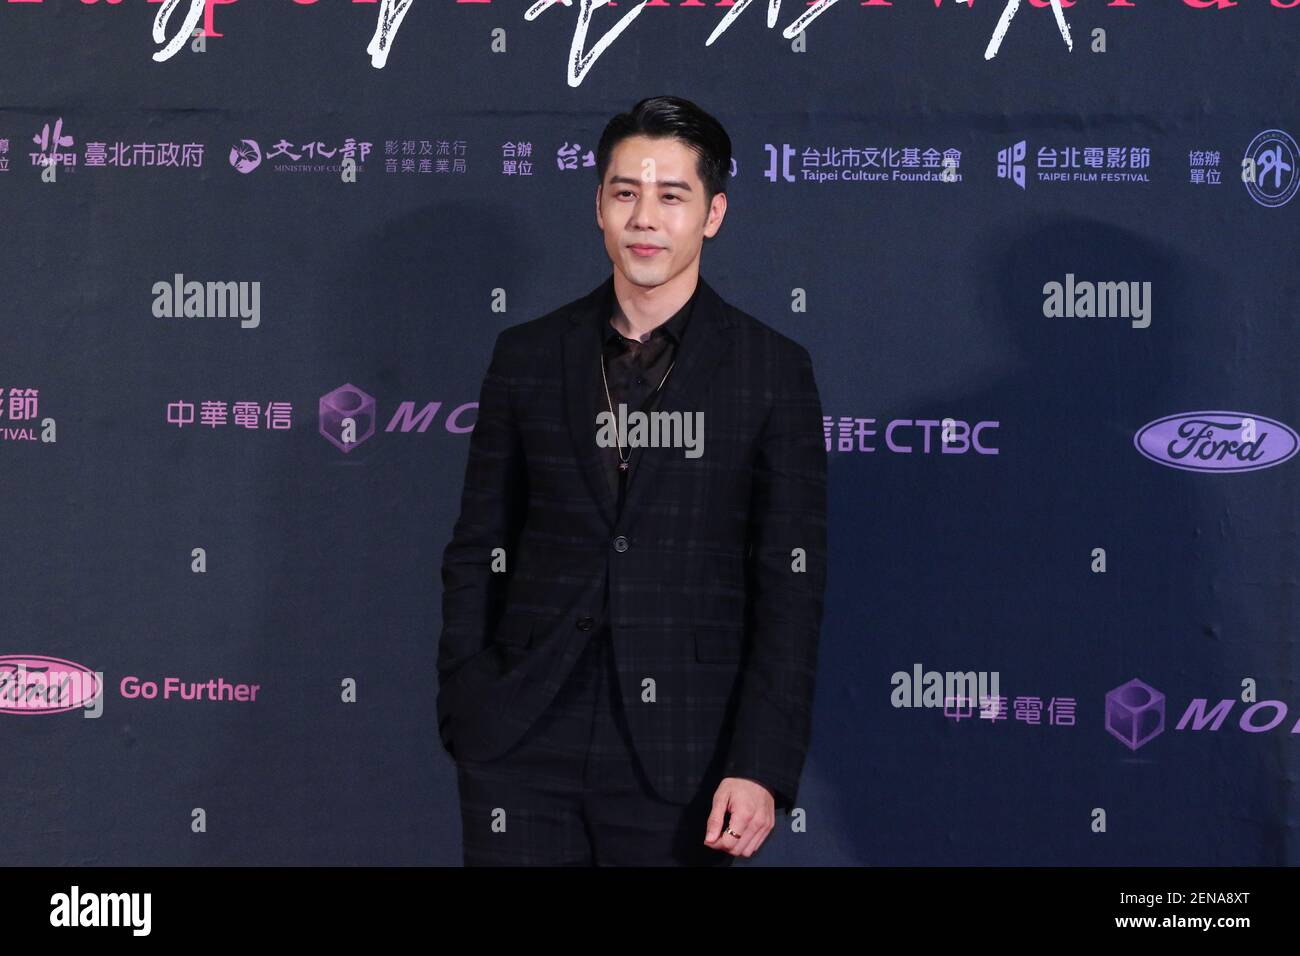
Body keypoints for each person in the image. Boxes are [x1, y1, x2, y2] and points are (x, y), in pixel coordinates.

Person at [436, 95, 827, 866]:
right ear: (600, 207)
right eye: (626, 194)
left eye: (671, 196)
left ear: (713, 214)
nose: (645, 218)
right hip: (521, 736)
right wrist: (467, 698)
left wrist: (762, 766)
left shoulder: (772, 371)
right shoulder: (528, 354)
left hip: (686, 749)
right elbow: (479, 544)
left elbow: (791, 587)